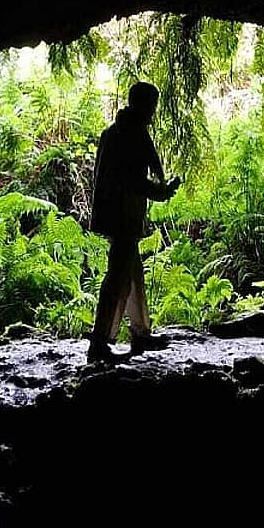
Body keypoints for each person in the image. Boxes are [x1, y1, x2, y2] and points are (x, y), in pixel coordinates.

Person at [88, 82, 181, 362]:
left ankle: (140, 333)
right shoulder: (129, 136)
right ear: (145, 105)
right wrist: (161, 192)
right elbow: (131, 180)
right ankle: (100, 341)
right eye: (152, 106)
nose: (153, 112)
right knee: (117, 278)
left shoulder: (117, 132)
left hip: (119, 215)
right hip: (122, 217)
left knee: (132, 274)